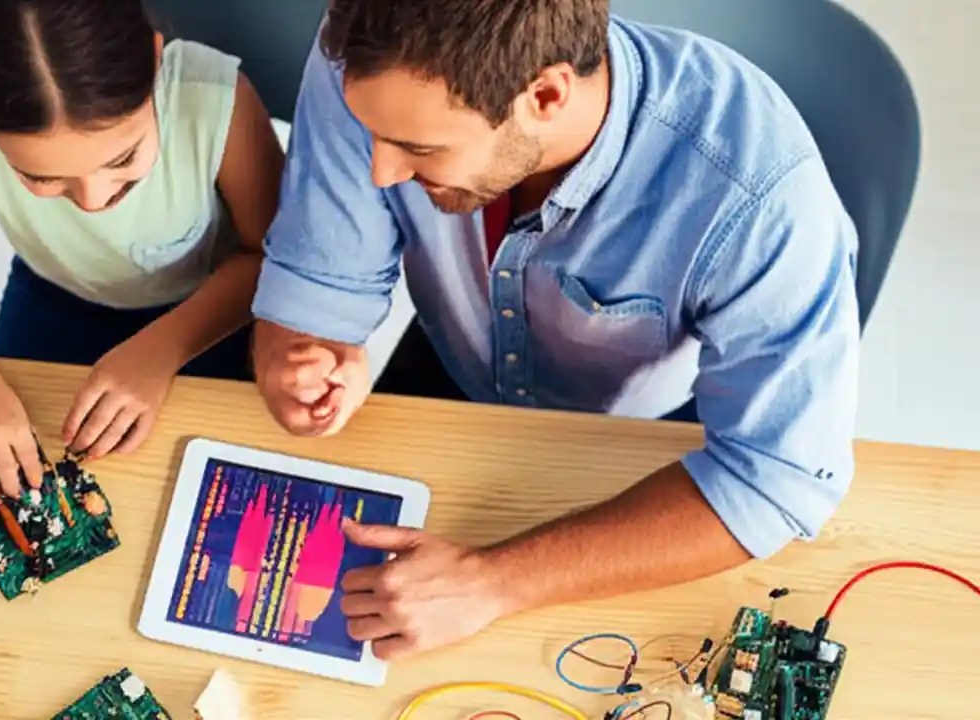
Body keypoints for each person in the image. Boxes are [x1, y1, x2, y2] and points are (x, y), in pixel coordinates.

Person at [252, 0, 859, 661]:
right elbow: (312, 298)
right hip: (454, 364)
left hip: (636, 439)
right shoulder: (370, 57)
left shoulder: (758, 193)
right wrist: (303, 356)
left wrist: (492, 582)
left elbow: (772, 480)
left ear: (544, 95)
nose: (381, 172)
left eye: (419, 149)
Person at [0, 0, 283, 498]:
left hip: (211, 311)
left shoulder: (215, 101)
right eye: (43, 177)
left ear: (156, 62)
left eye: (123, 157)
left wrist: (163, 348)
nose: (94, 200)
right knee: (7, 473)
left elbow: (272, 257)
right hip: (53, 296)